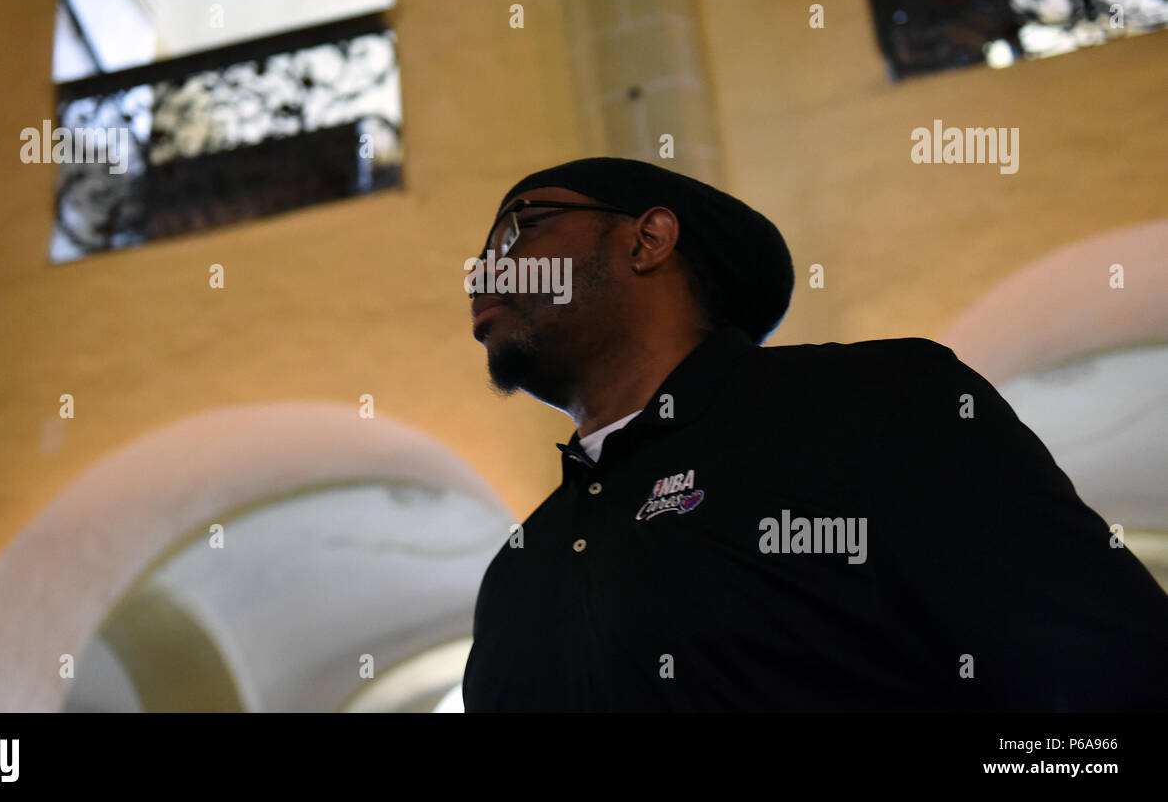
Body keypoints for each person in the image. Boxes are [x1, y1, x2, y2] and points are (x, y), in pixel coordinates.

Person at [461, 156, 1168, 712]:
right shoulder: (519, 572)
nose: (480, 269)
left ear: (649, 239)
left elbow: (1115, 681)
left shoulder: (876, 405)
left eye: (520, 226)